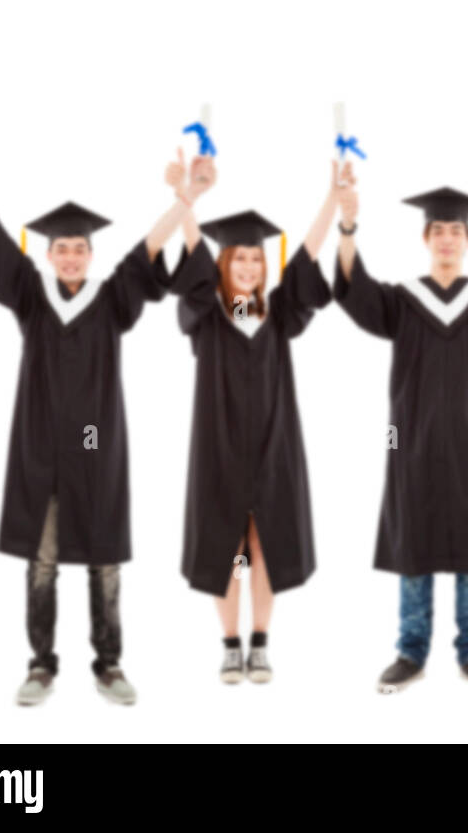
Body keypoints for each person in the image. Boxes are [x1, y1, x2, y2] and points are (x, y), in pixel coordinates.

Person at [0, 134, 205, 706]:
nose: (70, 257)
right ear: (49, 255)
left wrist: (185, 202)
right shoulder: (32, 298)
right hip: (40, 453)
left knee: (105, 563)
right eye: (60, 248)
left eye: (78, 249)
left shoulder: (111, 302)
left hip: (96, 449)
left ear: (90, 254)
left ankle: (109, 665)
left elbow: (147, 250)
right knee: (42, 564)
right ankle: (41, 664)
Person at [333, 166, 468, 693]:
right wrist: (349, 226)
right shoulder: (402, 303)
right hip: (414, 448)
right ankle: (410, 651)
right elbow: (354, 293)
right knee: (414, 551)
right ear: (426, 239)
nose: (447, 238)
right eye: (438, 231)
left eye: (455, 231)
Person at [166, 150, 339, 684]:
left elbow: (308, 256)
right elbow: (193, 253)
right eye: (238, 259)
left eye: (256, 260)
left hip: (273, 448)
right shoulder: (206, 315)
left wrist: (333, 198)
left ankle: (259, 643)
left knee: (263, 543)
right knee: (226, 546)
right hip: (218, 451)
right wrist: (187, 200)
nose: (248, 267)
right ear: (224, 265)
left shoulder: (278, 312)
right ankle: (230, 644)